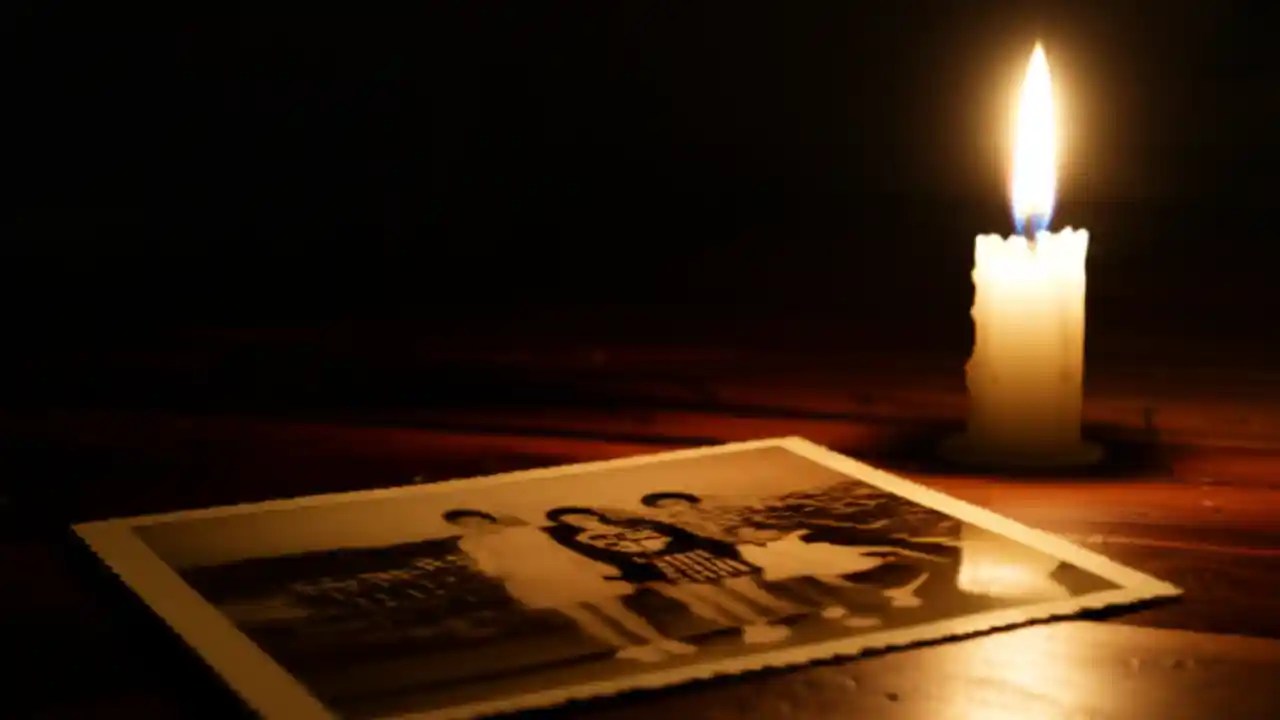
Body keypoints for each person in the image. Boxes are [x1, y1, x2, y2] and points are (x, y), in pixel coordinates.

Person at [444, 509, 696, 663]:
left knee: (616, 609)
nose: (471, 525)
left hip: (569, 573)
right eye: (464, 523)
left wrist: (597, 568)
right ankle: (631, 648)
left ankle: (663, 641)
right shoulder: (470, 544)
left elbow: (559, 550)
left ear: (484, 516)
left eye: (473, 519)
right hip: (534, 581)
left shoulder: (523, 530)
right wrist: (480, 547)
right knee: (583, 616)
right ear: (461, 528)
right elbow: (492, 570)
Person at [544, 507, 794, 645]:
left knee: (741, 588)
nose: (582, 520)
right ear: (569, 524)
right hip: (658, 566)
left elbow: (681, 535)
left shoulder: (636, 524)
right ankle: (750, 628)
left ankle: (773, 618)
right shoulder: (580, 539)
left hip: (694, 555)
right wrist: (631, 571)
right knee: (707, 597)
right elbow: (603, 557)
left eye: (583, 514)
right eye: (573, 519)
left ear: (595, 514)